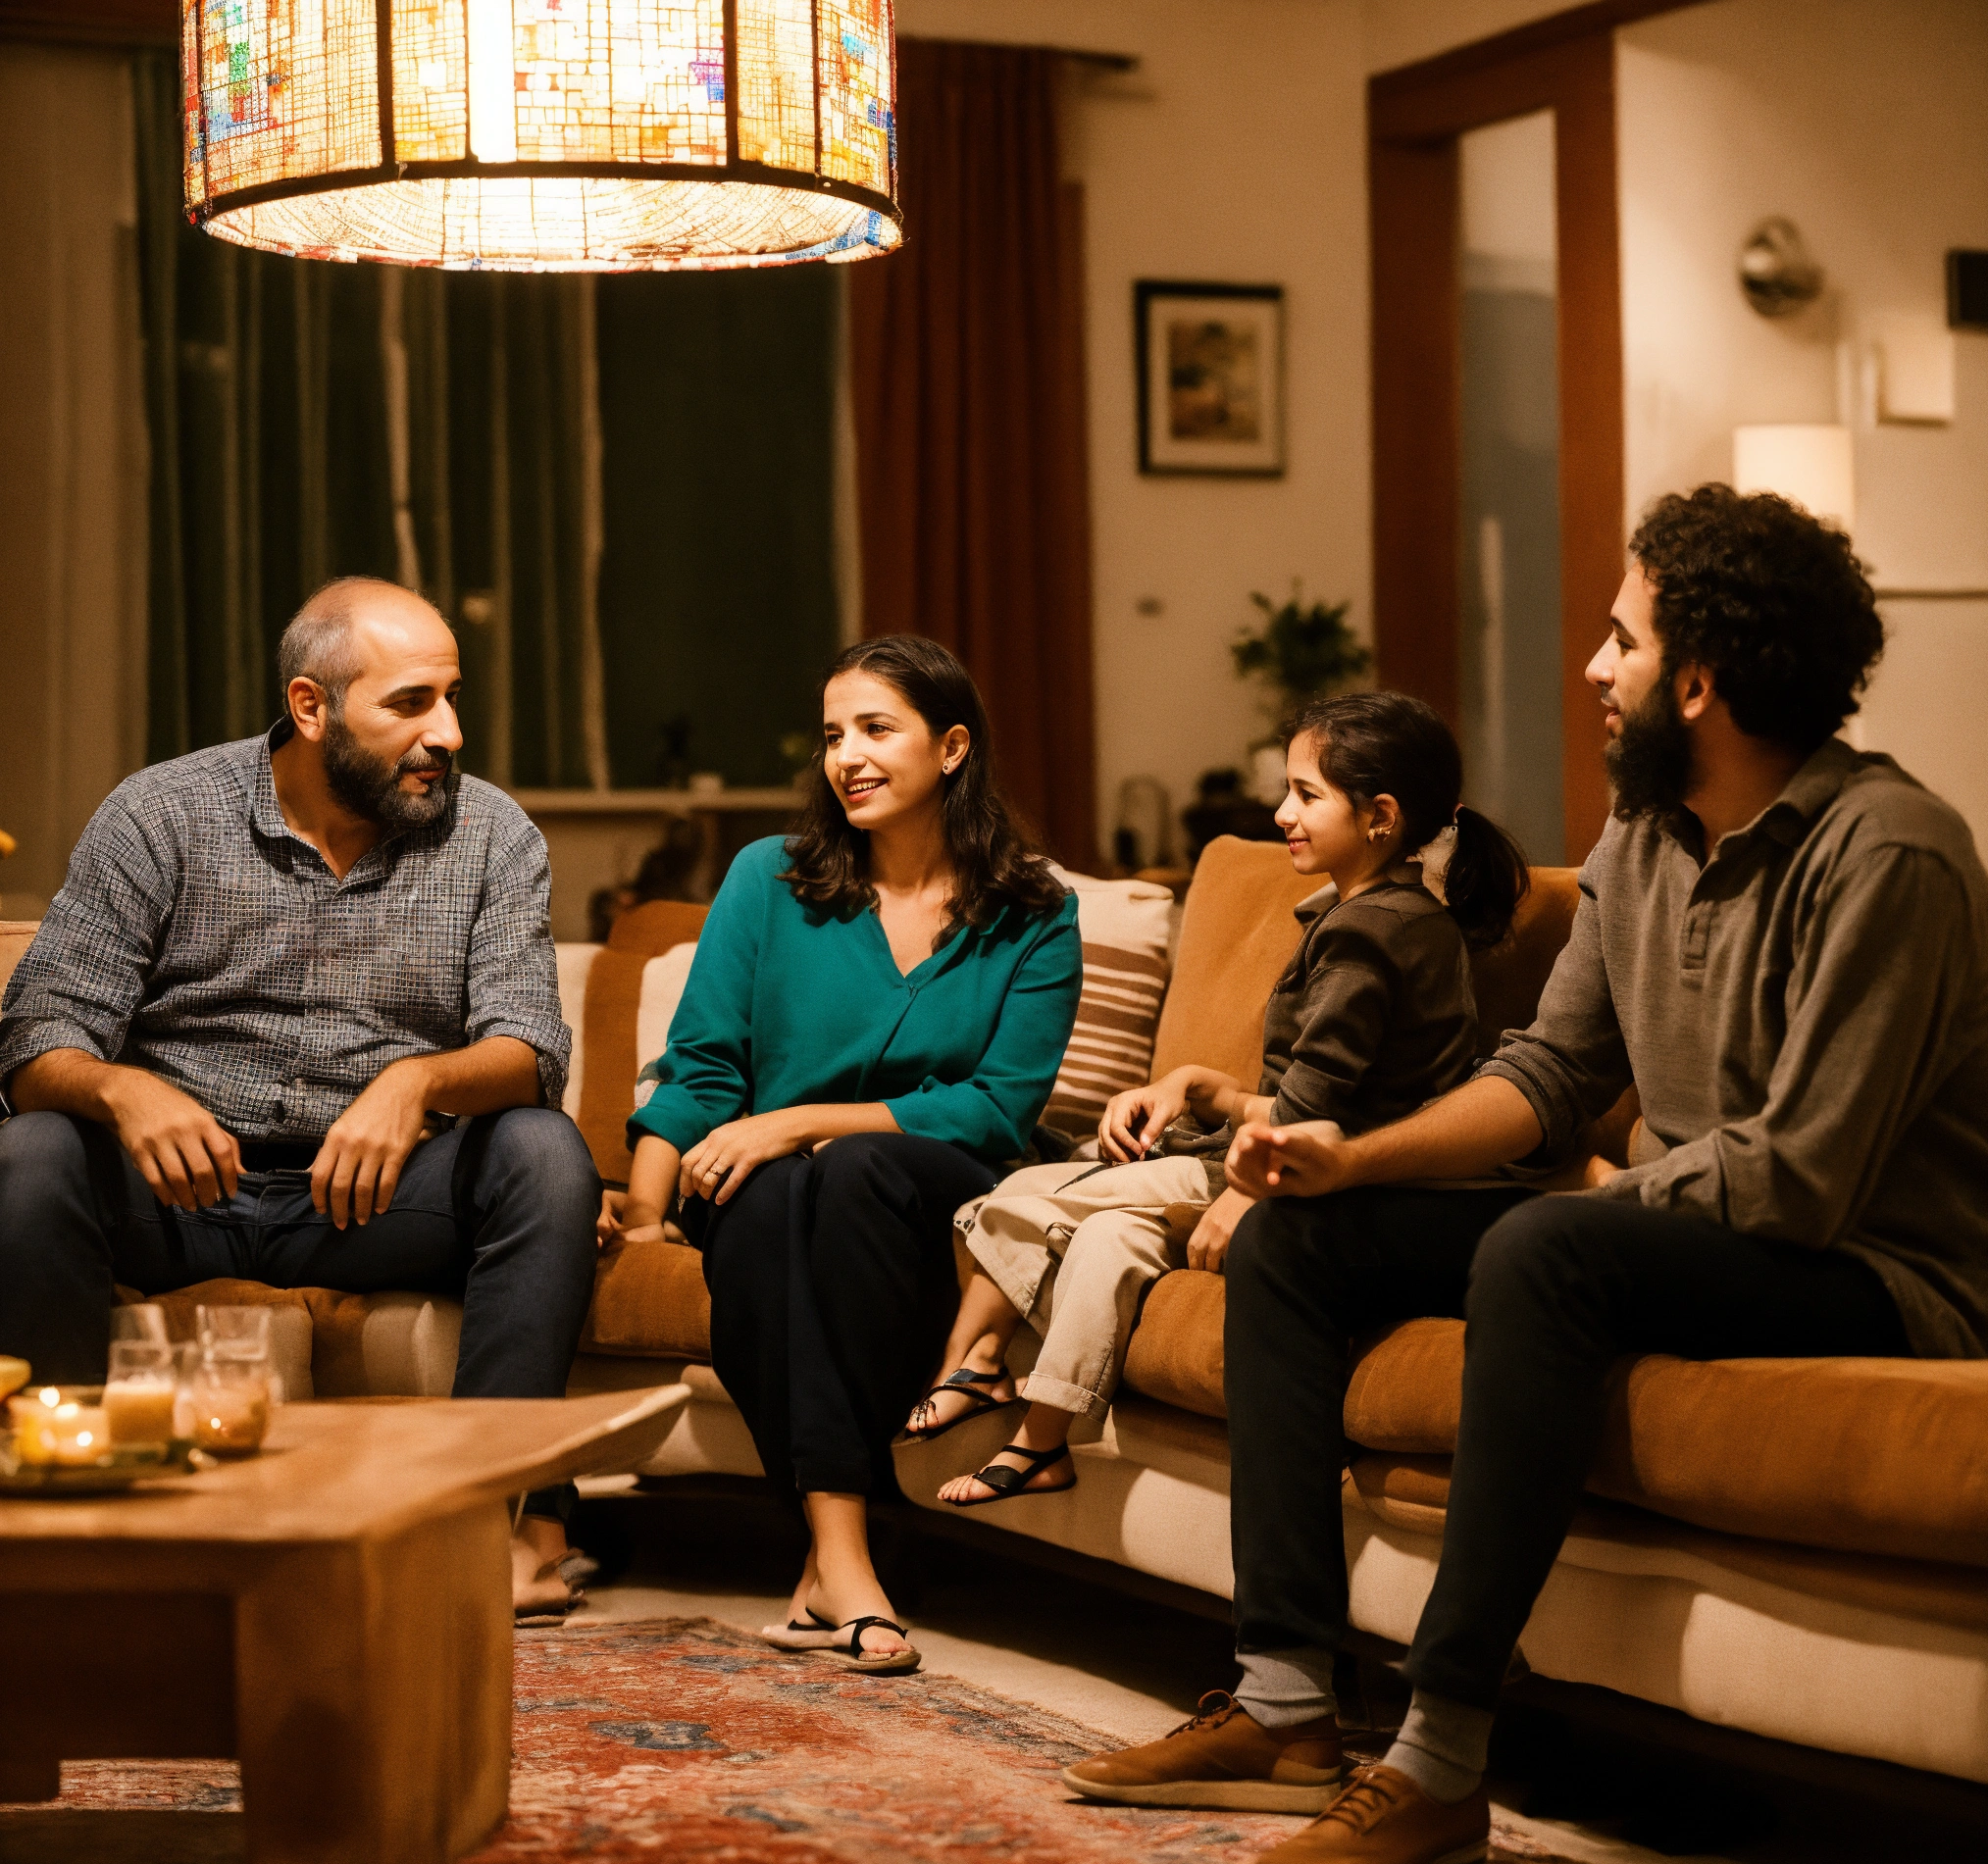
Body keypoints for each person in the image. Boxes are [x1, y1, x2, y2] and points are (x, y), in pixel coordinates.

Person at [1065, 485, 1988, 1864]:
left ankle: (1439, 1767)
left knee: (1546, 1250)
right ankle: (1284, 1704)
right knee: (1296, 1244)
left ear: (1698, 679)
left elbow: (1799, 1176)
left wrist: (1593, 1202)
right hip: (1711, 1232)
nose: (1592, 667)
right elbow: (1552, 1072)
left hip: (1886, 1270)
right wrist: (1347, 1160)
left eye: (1620, 639)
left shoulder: (1889, 852)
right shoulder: (1646, 837)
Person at [0, 579, 601, 1622]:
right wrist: (122, 1089)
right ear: (311, 706)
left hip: (372, 1202)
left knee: (544, 1153)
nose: (448, 733)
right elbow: (32, 1038)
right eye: (410, 703)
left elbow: (529, 1049)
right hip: (178, 1192)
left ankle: (505, 1526)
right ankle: (80, 1525)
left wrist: (415, 1080)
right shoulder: (161, 813)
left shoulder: (492, 833)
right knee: (29, 1151)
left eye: (452, 697)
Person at [909, 691, 1527, 1520]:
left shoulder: (1370, 932)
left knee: (1014, 1196)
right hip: (1316, 1162)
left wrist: (1246, 1190)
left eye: (1305, 794)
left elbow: (1317, 1100)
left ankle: (973, 1363)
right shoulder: (1389, 915)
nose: (1282, 814)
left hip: (1312, 1181)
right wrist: (1200, 1086)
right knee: (1107, 1240)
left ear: (1380, 817)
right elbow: (1332, 1093)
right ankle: (1043, 1440)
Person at [604, 634, 1081, 1674]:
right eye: (832, 735)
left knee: (848, 1168)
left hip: (931, 1192)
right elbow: (702, 1063)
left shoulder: (1034, 910)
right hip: (771, 1192)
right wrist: (643, 1212)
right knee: (775, 1203)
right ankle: (842, 1553)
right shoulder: (767, 878)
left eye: (875, 729)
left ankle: (835, 1564)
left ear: (951, 747)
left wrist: (797, 1120)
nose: (846, 757)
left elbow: (997, 1108)